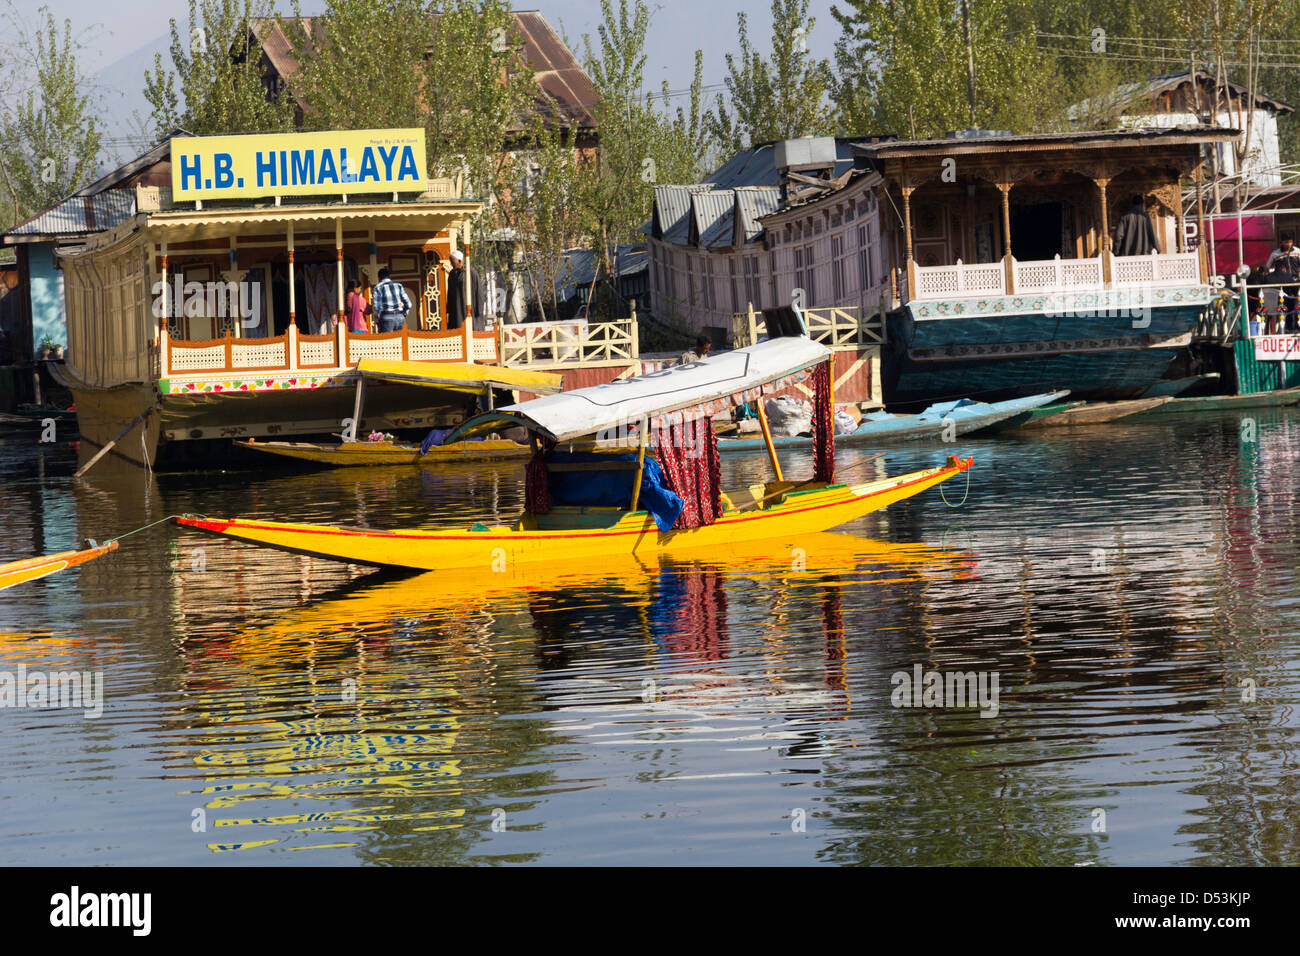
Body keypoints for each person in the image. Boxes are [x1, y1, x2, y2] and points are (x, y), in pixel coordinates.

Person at [445, 249, 486, 331]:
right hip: (456, 310)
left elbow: (479, 292)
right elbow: (450, 293)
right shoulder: (452, 274)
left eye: (453, 261)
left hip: (470, 309)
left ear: (460, 261)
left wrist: (479, 310)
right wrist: (449, 308)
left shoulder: (471, 272)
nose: (451, 264)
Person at [1266, 233, 1300, 331]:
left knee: (1296, 304)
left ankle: (1296, 327)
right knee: (1286, 305)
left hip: (1295, 283)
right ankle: (1287, 328)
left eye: (1290, 242)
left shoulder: (1297, 251)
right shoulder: (1275, 254)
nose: (1288, 244)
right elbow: (1267, 267)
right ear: (1281, 242)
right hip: (1282, 284)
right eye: (1286, 242)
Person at [371, 268, 411, 333]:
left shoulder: (378, 287)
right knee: (400, 341)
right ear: (389, 276)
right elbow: (408, 304)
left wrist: (377, 321)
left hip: (386, 317)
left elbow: (377, 307)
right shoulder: (398, 285)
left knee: (388, 342)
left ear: (379, 277)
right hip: (400, 316)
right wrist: (404, 313)